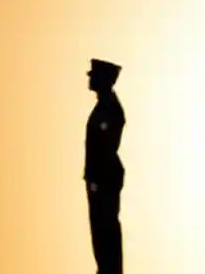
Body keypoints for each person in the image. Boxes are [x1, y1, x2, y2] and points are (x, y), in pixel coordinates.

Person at [85, 59, 125, 273]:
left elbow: (105, 144)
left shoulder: (109, 108)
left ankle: (110, 269)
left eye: (94, 76)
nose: (90, 79)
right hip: (100, 177)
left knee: (105, 227)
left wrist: (97, 179)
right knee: (100, 229)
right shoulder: (104, 106)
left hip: (104, 177)